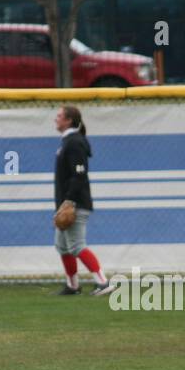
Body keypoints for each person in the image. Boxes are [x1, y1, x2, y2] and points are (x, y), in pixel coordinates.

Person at [52, 105, 111, 296]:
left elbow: (79, 175)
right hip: (67, 203)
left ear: (69, 120)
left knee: (77, 245)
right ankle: (73, 285)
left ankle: (103, 283)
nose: (56, 118)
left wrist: (69, 201)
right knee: (62, 245)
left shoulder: (74, 142)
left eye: (59, 116)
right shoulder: (68, 141)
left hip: (75, 203)